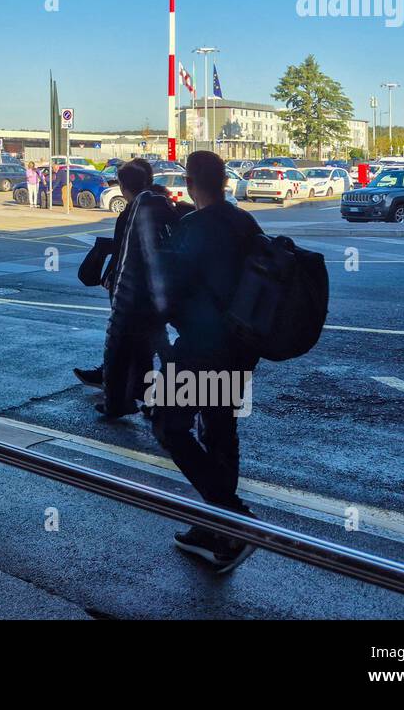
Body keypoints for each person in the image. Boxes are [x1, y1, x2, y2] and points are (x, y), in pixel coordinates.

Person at [149, 151, 262, 574]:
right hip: (242, 344)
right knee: (218, 428)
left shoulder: (193, 227)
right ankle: (218, 530)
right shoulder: (245, 222)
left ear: (191, 181)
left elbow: (168, 290)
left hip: (203, 348)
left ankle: (232, 517)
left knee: (168, 424)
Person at [91, 161, 176, 421]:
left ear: (123, 185)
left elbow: (124, 254)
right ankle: (150, 399)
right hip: (157, 294)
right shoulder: (162, 205)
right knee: (155, 348)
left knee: (119, 349)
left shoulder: (133, 210)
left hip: (133, 294)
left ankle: (120, 402)